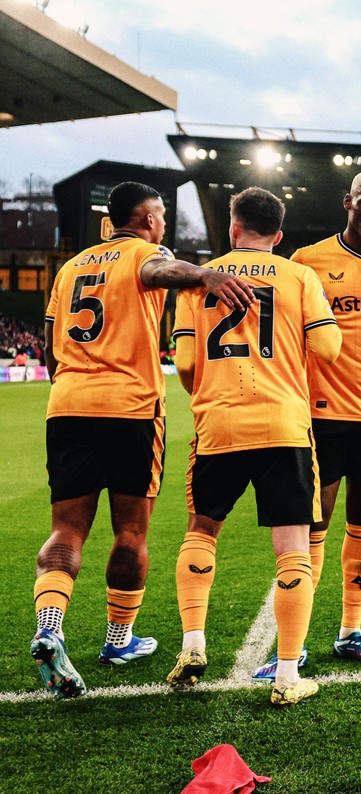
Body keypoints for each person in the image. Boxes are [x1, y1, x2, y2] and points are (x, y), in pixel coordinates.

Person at [33, 181, 253, 699]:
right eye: (160, 215)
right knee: (131, 531)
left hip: (68, 405)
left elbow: (48, 346)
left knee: (66, 532)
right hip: (130, 408)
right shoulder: (146, 254)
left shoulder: (69, 268)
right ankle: (119, 639)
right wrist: (204, 274)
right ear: (148, 218)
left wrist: (71, 386)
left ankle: (49, 626)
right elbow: (160, 272)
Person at [250, 170, 361, 681]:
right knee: (313, 523)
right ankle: (296, 643)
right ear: (348, 202)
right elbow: (285, 332)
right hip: (321, 413)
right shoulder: (308, 261)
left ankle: (351, 631)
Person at [167, 187, 340, 706]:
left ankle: (193, 643)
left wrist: (212, 394)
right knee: (293, 550)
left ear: (233, 228)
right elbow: (328, 348)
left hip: (218, 423)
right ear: (279, 236)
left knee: (202, 532)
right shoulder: (298, 275)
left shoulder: (201, 279)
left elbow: (186, 364)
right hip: (284, 425)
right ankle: (287, 677)